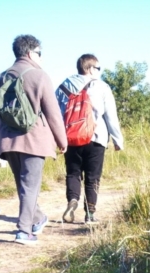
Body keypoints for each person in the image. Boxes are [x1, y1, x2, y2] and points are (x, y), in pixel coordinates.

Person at [0, 34, 67, 245]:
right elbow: (53, 113)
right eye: (40, 53)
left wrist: (0, 140)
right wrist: (62, 140)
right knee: (30, 186)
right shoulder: (39, 76)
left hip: (8, 140)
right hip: (34, 140)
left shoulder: (2, 77)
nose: (41, 58)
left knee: (23, 185)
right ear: (30, 53)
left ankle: (38, 218)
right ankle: (24, 231)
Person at [56, 53, 123, 224]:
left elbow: (55, 114)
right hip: (96, 137)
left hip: (70, 137)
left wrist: (57, 138)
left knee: (73, 173)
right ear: (90, 68)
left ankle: (73, 200)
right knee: (93, 177)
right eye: (98, 68)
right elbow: (110, 116)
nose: (100, 71)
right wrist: (117, 139)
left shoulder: (64, 86)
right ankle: (90, 214)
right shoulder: (102, 87)